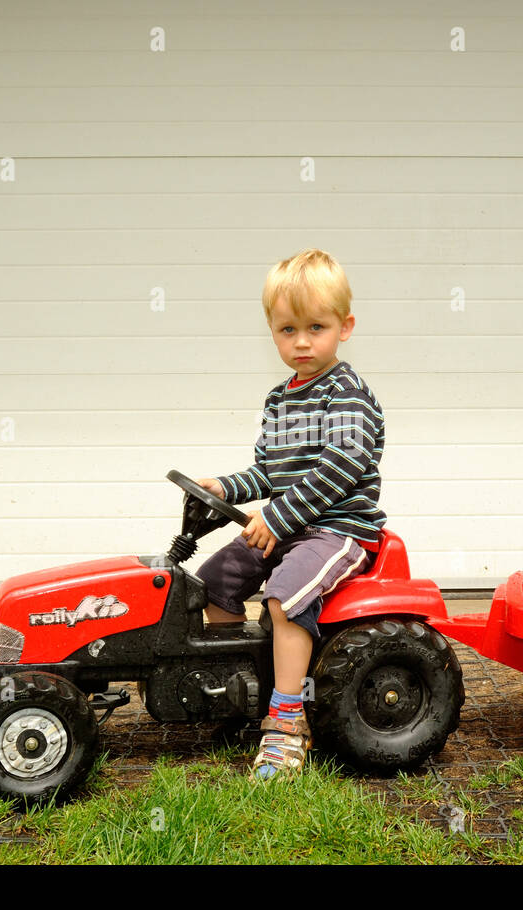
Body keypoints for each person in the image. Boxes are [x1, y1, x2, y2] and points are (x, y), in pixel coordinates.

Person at [195, 248, 386, 780]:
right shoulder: (280, 399)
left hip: (337, 530)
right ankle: (243, 691)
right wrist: (224, 487)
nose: (301, 342)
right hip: (291, 525)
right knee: (214, 581)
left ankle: (286, 721)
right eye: (286, 330)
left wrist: (279, 519)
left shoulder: (347, 394)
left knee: (285, 597)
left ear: (344, 327)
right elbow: (268, 473)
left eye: (316, 327)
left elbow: (342, 465)